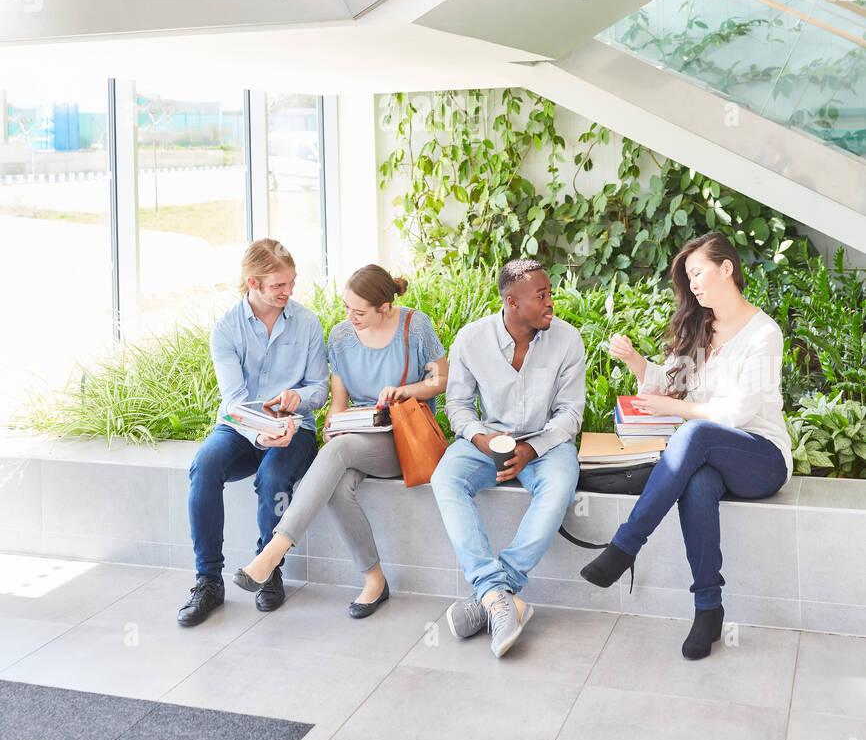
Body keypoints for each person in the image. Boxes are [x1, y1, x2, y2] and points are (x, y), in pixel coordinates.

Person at [580, 232, 792, 660]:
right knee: (697, 485)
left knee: (693, 432)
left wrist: (677, 409)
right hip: (715, 458)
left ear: (726, 268)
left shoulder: (762, 334)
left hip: (762, 457)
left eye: (698, 273)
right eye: (688, 277)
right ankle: (707, 609)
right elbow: (668, 382)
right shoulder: (701, 326)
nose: (692, 284)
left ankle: (624, 545)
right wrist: (636, 362)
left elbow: (738, 412)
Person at [234, 265, 448, 616]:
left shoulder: (415, 326)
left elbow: (441, 378)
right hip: (358, 436)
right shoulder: (341, 336)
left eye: (359, 312)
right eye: (346, 307)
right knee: (337, 479)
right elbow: (338, 403)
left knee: (340, 449)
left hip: (402, 439)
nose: (350, 317)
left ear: (383, 307)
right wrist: (334, 424)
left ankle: (273, 552)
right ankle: (374, 580)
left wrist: (404, 391)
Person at [431, 259, 585, 658]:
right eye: (542, 296)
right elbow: (459, 406)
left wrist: (532, 449)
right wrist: (481, 439)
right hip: (487, 440)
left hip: (545, 444)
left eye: (550, 292)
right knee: (446, 478)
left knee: (561, 486)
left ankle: (495, 593)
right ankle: (498, 596)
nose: (552, 302)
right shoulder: (471, 339)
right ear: (512, 303)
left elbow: (570, 413)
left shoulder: (568, 340)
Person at [177, 239, 327, 627]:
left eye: (291, 282)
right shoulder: (226, 330)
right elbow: (235, 401)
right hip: (242, 429)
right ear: (252, 283)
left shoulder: (307, 323)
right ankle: (208, 580)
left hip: (296, 428)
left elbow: (320, 389)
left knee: (273, 475)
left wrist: (299, 397)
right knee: (204, 466)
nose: (288, 291)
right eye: (279, 285)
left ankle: (268, 567)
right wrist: (260, 434)